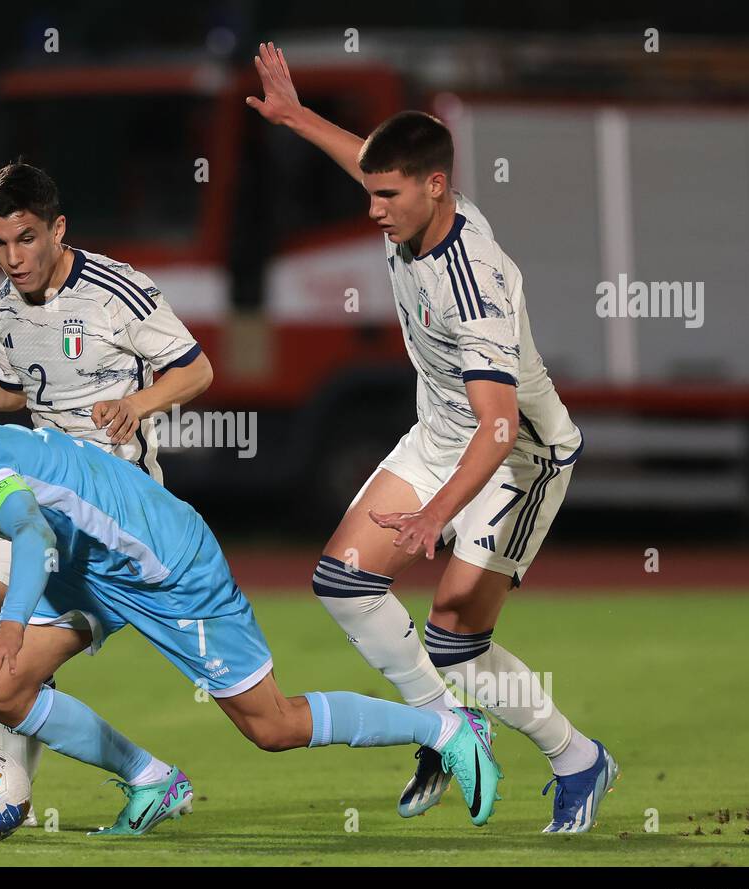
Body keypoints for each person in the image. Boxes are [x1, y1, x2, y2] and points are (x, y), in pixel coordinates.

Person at [0, 380, 502, 835]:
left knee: (272, 726)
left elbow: (28, 531)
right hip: (89, 570)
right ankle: (152, 780)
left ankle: (444, 729)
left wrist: (8, 623)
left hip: (163, 563)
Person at [247, 42, 617, 833]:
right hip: (442, 434)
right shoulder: (413, 205)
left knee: (455, 635)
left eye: (386, 195)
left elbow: (500, 423)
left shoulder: (472, 287)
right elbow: (370, 162)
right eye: (372, 192)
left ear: (435, 189)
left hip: (519, 457)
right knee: (342, 583)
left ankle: (576, 759)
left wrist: (431, 518)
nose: (371, 209)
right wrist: (296, 115)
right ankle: (448, 726)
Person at [0, 163, 212, 822]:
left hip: (112, 514)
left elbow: (195, 369)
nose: (11, 258)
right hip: (34, 492)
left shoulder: (117, 291)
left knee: (6, 675)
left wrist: (138, 403)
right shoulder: (5, 308)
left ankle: (153, 778)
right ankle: (4, 773)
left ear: (57, 228)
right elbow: (11, 389)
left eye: (25, 239)